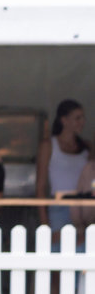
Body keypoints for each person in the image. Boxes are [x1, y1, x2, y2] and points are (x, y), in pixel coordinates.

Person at [35, 99, 88, 237]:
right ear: (64, 120)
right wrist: (44, 223)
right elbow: (40, 185)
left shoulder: (86, 147)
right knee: (58, 252)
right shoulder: (49, 145)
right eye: (77, 118)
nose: (82, 122)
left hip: (84, 208)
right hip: (59, 206)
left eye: (83, 118)